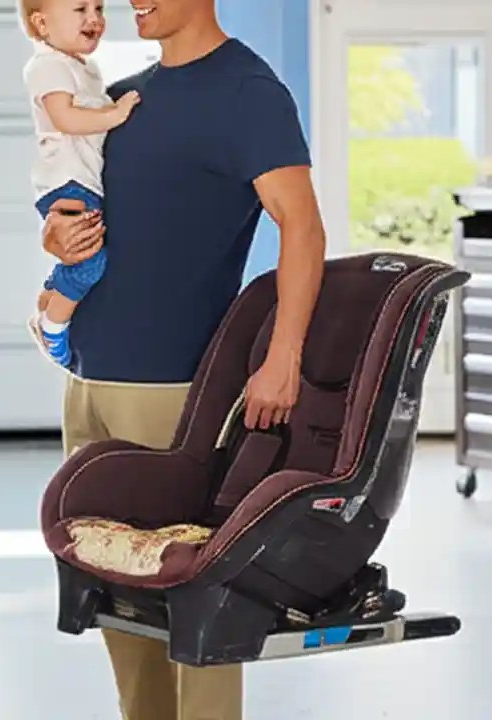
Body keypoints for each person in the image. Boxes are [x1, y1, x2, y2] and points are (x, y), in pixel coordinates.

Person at [39, 1, 327, 719]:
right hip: (89, 378)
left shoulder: (247, 91)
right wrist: (56, 234)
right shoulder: (122, 98)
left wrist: (284, 355)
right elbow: (81, 205)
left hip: (174, 387)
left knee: (196, 592)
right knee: (112, 585)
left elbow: (302, 225)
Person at [19, 0, 141, 368]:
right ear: (42, 24)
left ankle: (52, 294)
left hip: (82, 183)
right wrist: (115, 114)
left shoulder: (82, 67)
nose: (94, 18)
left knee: (87, 256)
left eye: (99, 8)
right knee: (90, 264)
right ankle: (52, 328)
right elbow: (65, 119)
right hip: (67, 184)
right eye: (79, 9)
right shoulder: (47, 66)